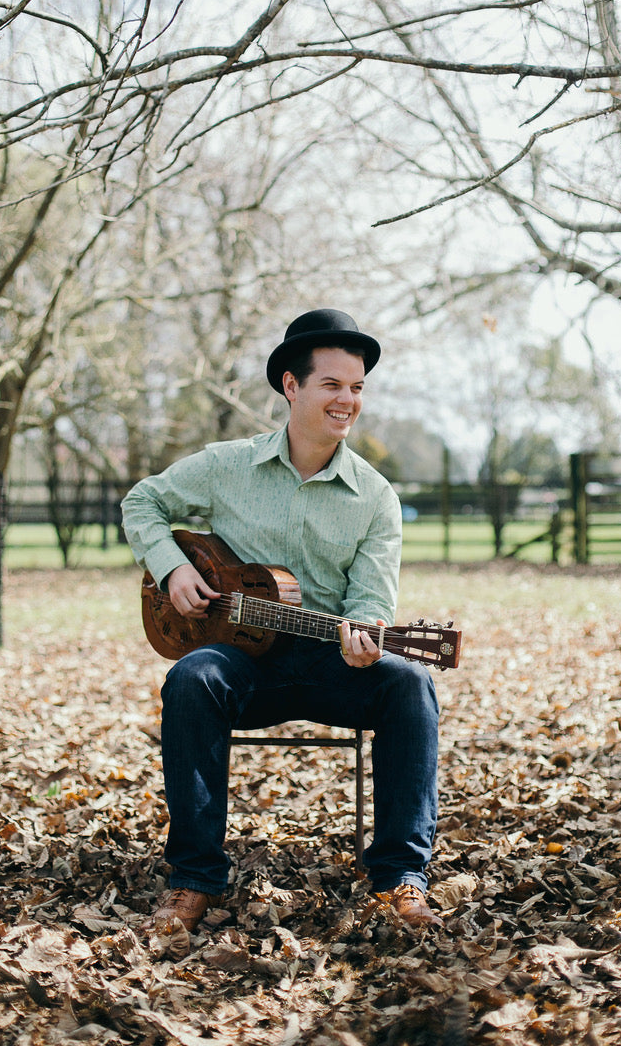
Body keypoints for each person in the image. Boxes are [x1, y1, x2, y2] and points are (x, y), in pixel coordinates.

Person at [121, 308, 442, 932]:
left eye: (356, 388)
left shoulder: (376, 497)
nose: (346, 400)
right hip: (241, 661)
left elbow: (372, 600)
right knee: (193, 677)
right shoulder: (226, 466)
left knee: (410, 682)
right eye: (331, 385)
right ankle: (193, 880)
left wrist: (365, 638)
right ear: (291, 387)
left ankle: (401, 879)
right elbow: (145, 501)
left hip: (330, 662)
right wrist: (172, 569)